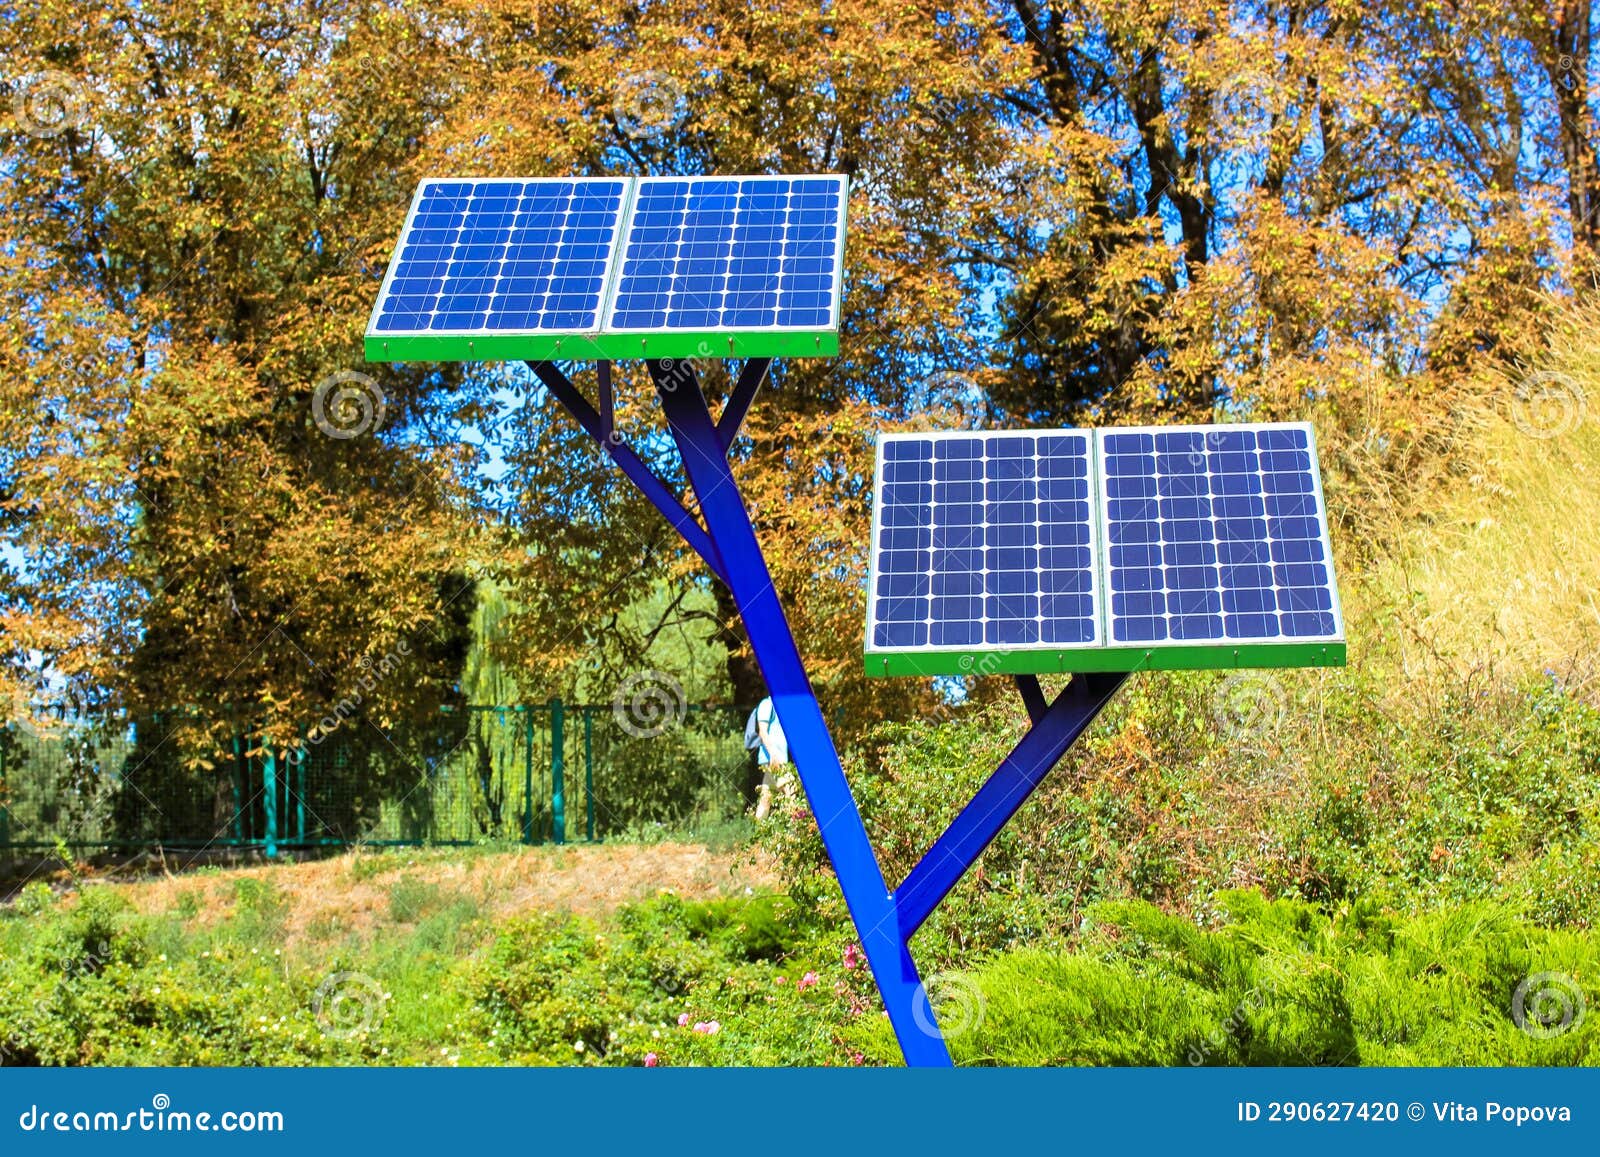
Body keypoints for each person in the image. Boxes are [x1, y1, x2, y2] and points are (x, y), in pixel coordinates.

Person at [750, 694, 789, 821]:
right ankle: (798, 828)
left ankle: (758, 829)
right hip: (773, 759)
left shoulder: (780, 706)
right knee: (791, 792)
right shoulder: (766, 705)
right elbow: (762, 732)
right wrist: (773, 754)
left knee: (765, 799)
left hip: (778, 759)